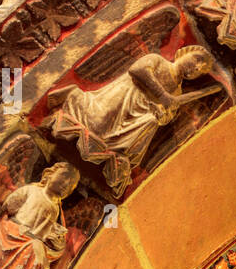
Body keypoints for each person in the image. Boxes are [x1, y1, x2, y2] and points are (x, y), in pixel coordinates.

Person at [47, 47, 222, 196]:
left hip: (138, 117)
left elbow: (167, 115)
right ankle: (73, 98)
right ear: (183, 52)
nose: (197, 67)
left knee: (150, 123)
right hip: (125, 96)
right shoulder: (158, 60)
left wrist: (161, 112)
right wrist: (162, 95)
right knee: (96, 122)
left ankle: (118, 154)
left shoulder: (177, 90)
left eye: (201, 70)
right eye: (197, 59)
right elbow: (138, 70)